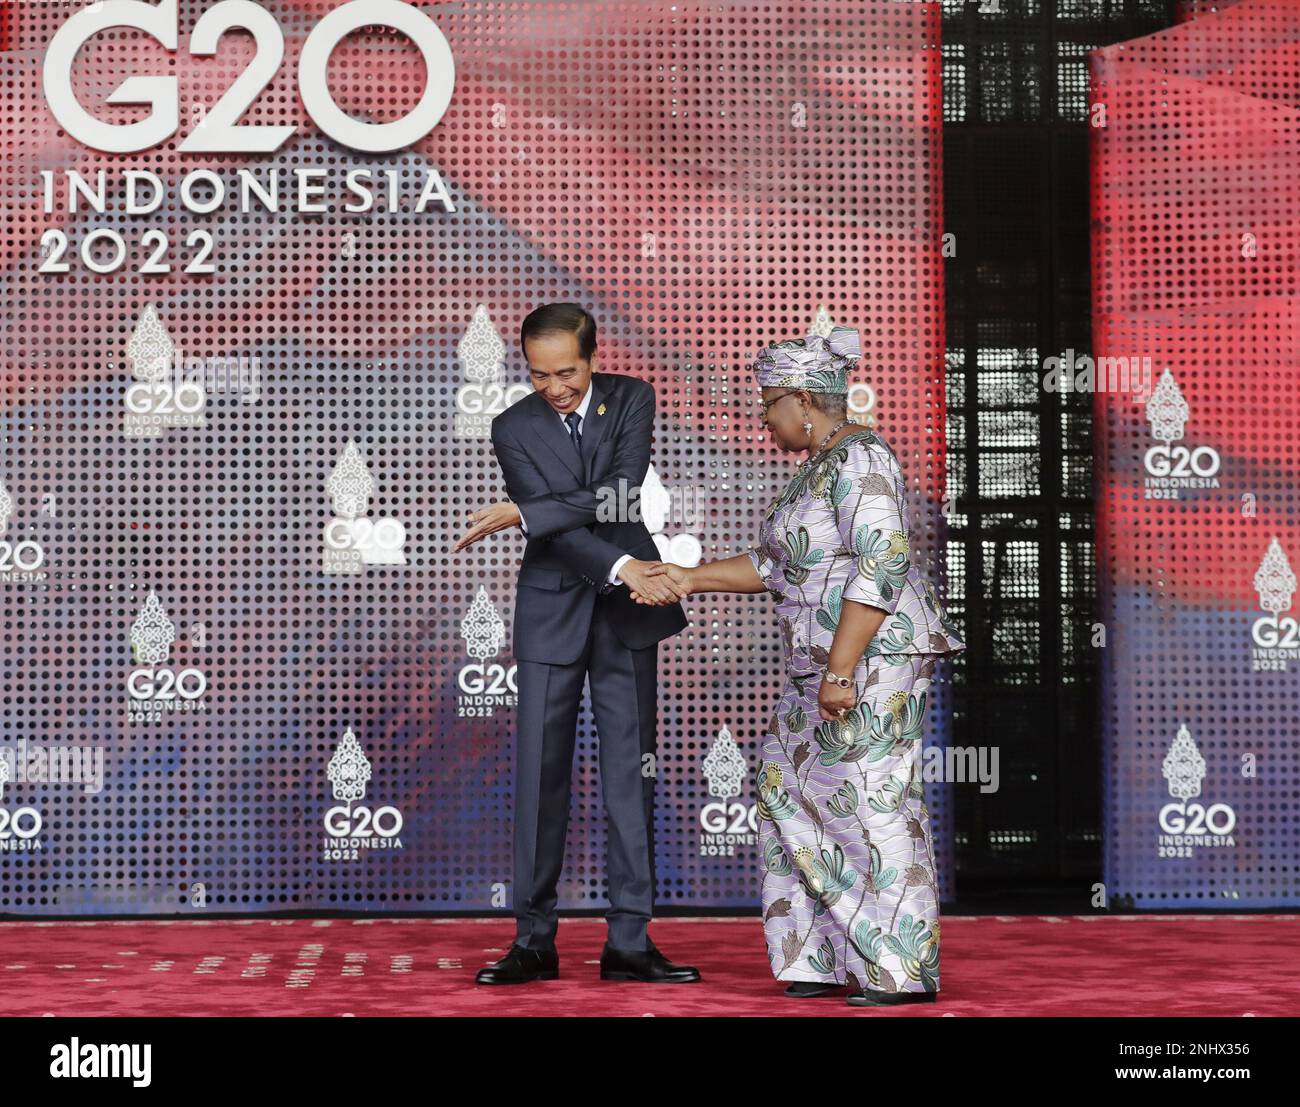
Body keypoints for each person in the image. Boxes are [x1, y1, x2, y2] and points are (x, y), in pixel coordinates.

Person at [631, 325, 965, 1006]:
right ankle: (814, 953)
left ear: (804, 400)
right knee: (782, 782)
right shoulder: (815, 467)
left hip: (873, 660)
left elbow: (884, 560)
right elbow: (773, 565)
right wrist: (687, 576)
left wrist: (842, 668)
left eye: (769, 402)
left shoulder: (863, 460)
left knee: (874, 803)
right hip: (820, 663)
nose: (763, 416)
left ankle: (899, 967)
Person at [454, 302, 699, 985]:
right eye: (538, 374)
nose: (554, 386)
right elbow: (559, 533)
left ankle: (629, 939)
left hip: (630, 609)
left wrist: (526, 512)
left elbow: (622, 495)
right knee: (539, 777)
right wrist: (597, 551)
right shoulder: (512, 425)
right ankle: (533, 940)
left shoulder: (632, 398)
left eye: (566, 371)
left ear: (593, 357)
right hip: (555, 607)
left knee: (631, 776)